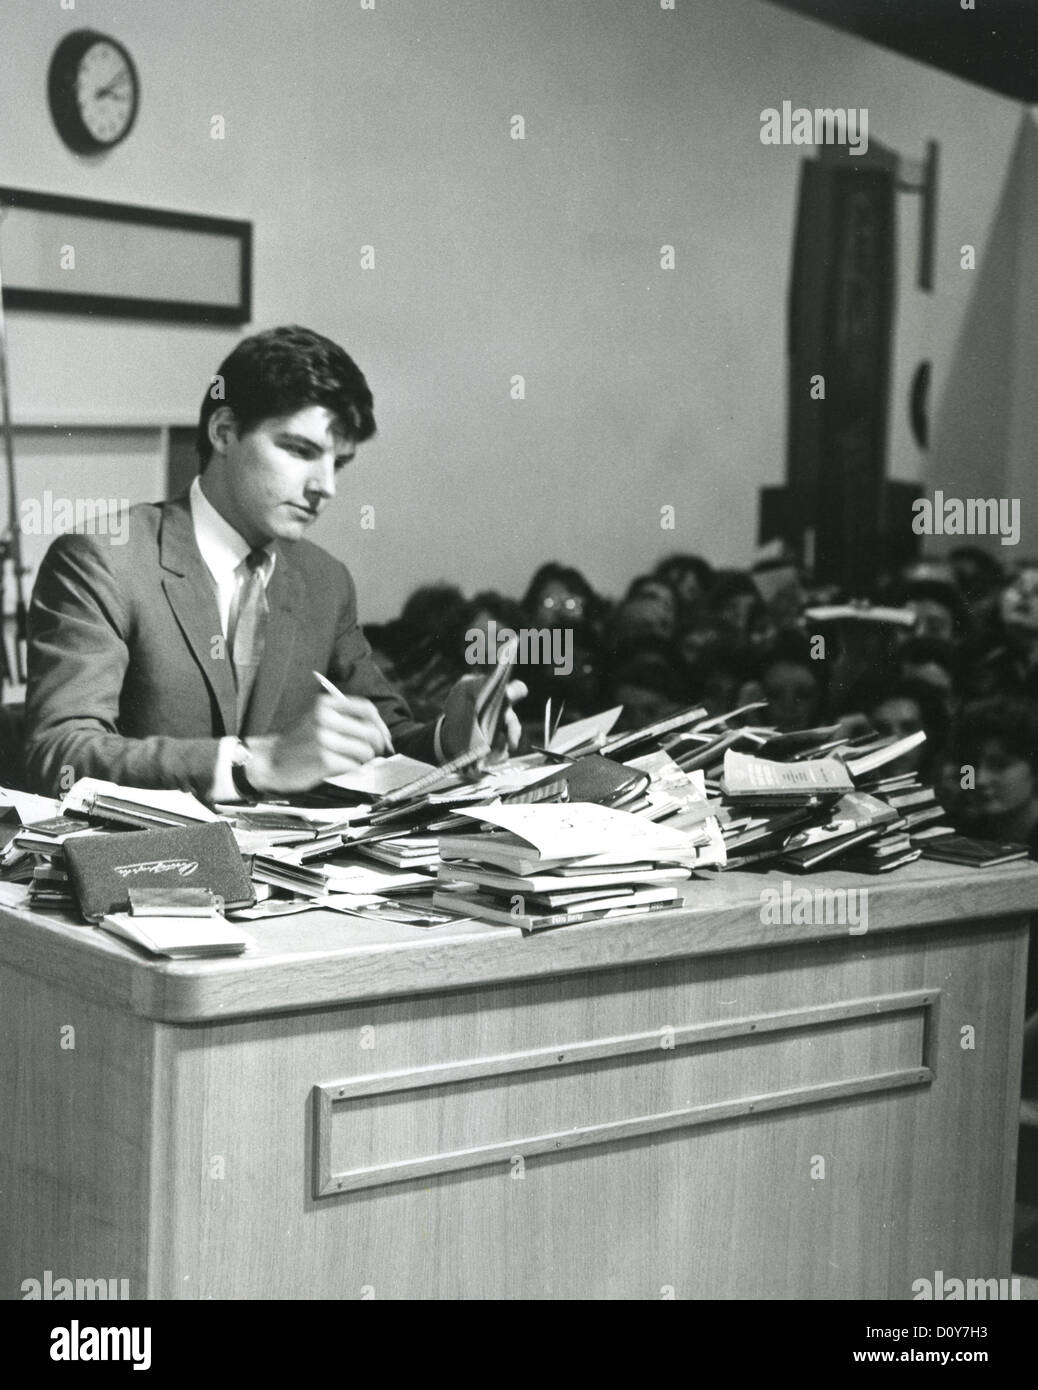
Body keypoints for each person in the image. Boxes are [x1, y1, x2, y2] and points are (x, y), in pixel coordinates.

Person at [24, 326, 522, 799]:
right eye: (300, 450)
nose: (326, 486)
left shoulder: (325, 580)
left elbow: (381, 735)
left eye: (338, 463)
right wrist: (258, 763)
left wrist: (448, 739)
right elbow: (59, 754)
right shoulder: (102, 559)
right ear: (223, 432)